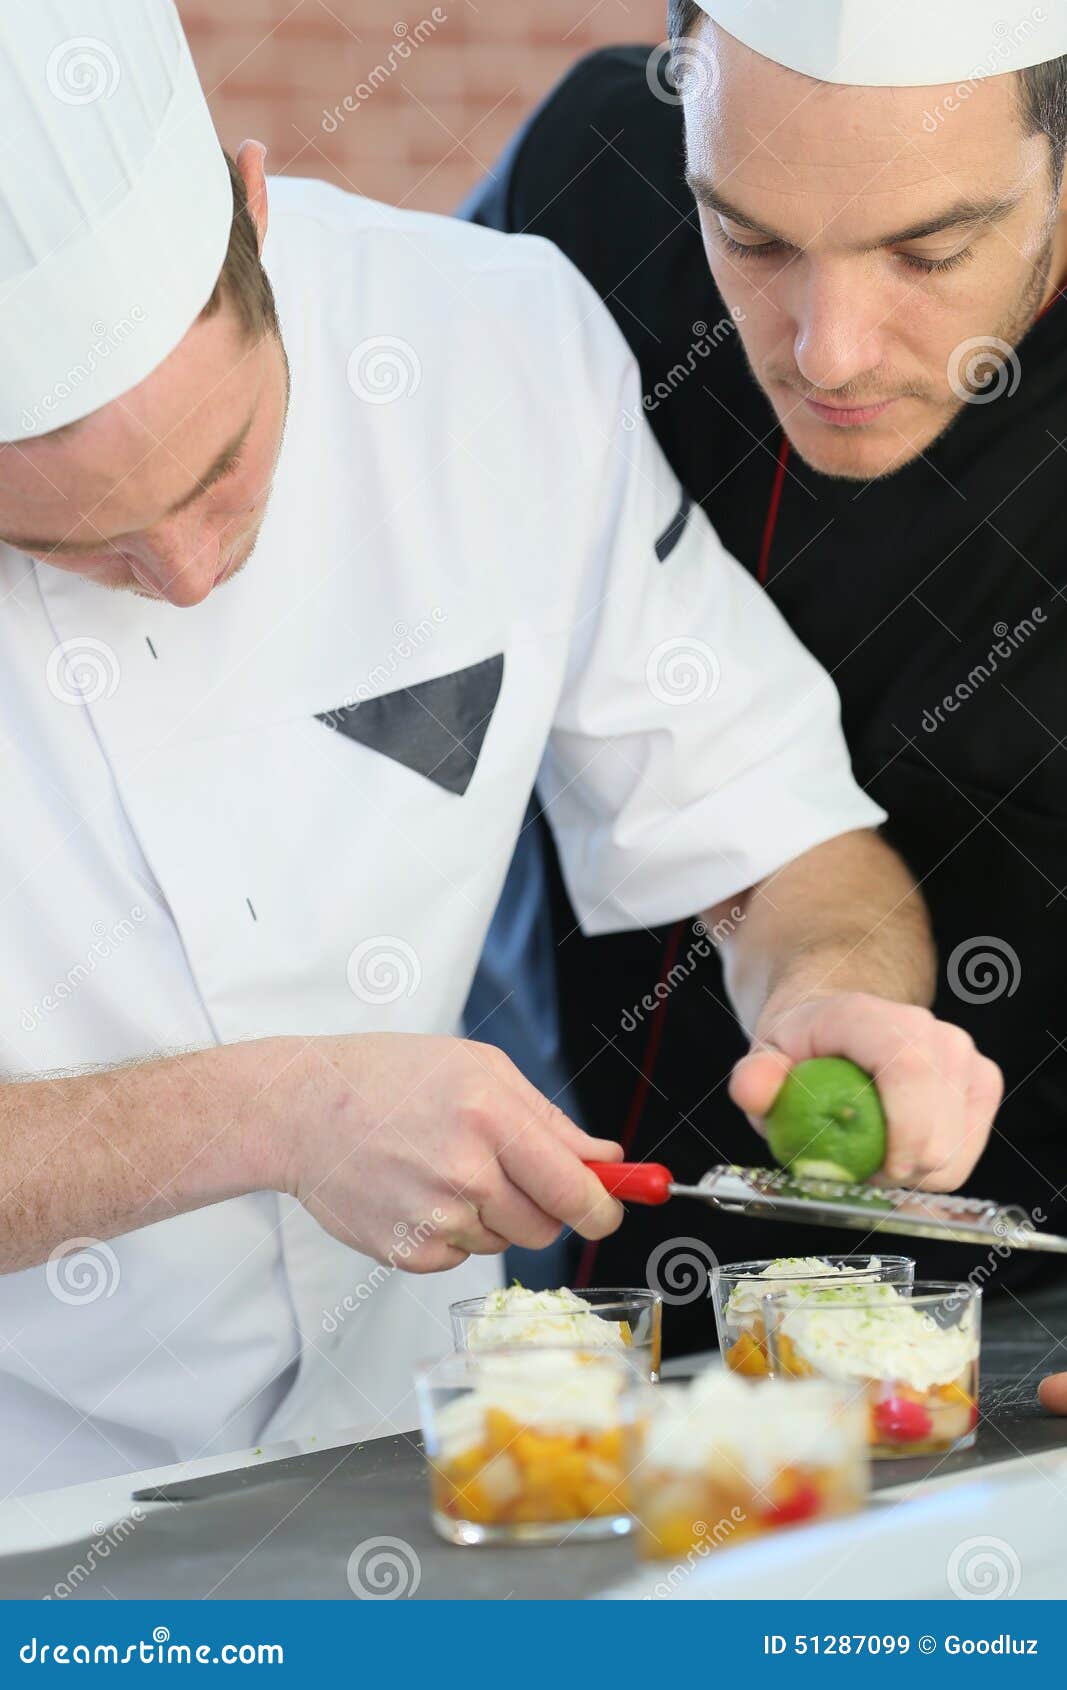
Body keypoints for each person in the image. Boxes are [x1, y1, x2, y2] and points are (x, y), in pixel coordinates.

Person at [0, 0, 999, 1496]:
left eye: (222, 470)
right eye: (72, 543)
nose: (191, 575)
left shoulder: (490, 347)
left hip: (435, 1458)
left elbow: (776, 833)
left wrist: (830, 995)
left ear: (256, 217)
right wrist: (278, 1115)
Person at [464, 0, 1067, 1349]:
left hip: (1028, 1303)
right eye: (749, 237)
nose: (826, 348)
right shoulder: (588, 177)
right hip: (583, 1229)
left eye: (929, 252)